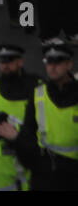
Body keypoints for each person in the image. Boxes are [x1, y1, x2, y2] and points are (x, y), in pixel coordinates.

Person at [33, 42, 78, 190]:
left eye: (58, 62)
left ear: (69, 64)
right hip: (49, 168)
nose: (52, 66)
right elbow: (30, 129)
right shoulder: (38, 94)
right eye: (48, 62)